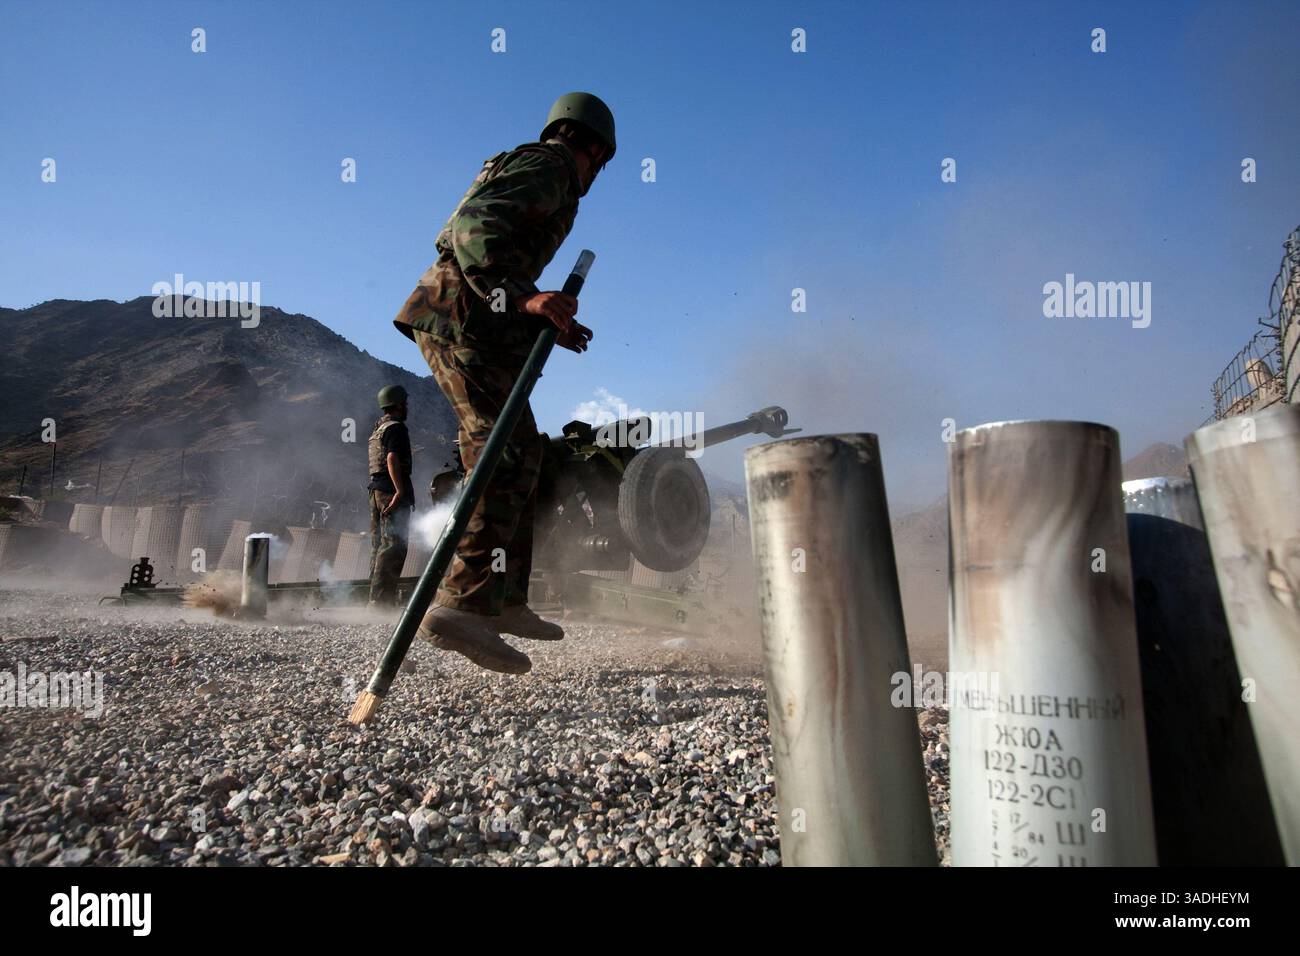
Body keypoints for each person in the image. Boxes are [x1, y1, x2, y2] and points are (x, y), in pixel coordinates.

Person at [391, 92, 614, 673]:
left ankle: (505, 599)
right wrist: (524, 296)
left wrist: (542, 313)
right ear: (591, 146)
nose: (596, 173)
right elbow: (473, 226)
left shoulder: (544, 171)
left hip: (480, 321)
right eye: (601, 161)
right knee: (502, 453)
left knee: (526, 455)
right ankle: (462, 608)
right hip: (457, 318)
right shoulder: (552, 166)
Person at [367, 384, 413, 606]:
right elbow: (392, 459)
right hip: (390, 491)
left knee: (379, 545)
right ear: (398, 404)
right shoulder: (396, 428)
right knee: (394, 545)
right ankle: (382, 602)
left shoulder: (378, 429)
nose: (407, 407)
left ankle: (374, 599)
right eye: (405, 403)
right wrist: (400, 490)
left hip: (376, 490)